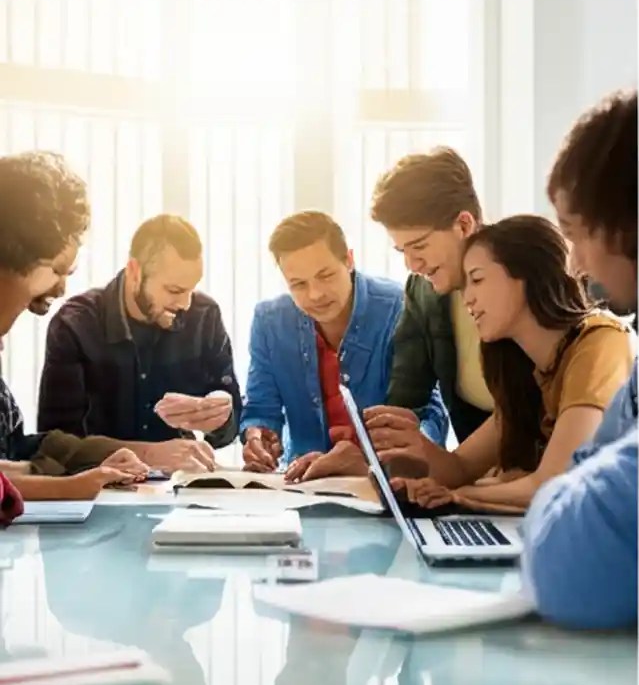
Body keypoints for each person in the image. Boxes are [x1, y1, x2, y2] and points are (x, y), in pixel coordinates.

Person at [364, 215, 633, 512]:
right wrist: (416, 450)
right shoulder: (527, 369)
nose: (468, 298)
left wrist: (461, 495)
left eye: (477, 280)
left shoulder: (601, 342)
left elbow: (554, 482)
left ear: (529, 276)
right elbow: (462, 466)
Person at [0, 152, 210, 510]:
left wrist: (105, 459)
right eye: (57, 269)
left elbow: (22, 447)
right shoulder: (77, 322)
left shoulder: (205, 317)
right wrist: (72, 486)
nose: (61, 287)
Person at [521, 89, 639, 628]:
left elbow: (566, 555)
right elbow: (578, 471)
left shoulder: (602, 340)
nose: (577, 264)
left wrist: (555, 494)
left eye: (576, 234)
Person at [238, 211, 448, 478]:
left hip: (386, 483)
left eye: (325, 275)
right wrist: (259, 435)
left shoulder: (400, 307)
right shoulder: (269, 322)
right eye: (298, 284)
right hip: (304, 484)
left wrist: (376, 459)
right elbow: (260, 407)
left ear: (349, 260)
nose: (315, 294)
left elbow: (428, 414)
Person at [38, 214, 242, 455]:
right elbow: (56, 443)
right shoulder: (75, 325)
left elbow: (234, 418)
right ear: (135, 271)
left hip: (178, 486)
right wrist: (151, 455)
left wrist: (219, 415)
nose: (186, 304)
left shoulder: (204, 315)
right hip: (98, 488)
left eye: (191, 289)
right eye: (174, 290)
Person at [369, 147, 493, 445]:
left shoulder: (527, 277)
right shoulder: (422, 292)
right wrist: (362, 452)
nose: (412, 265)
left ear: (464, 225)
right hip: (475, 474)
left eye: (419, 246)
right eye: (403, 251)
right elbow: (405, 397)